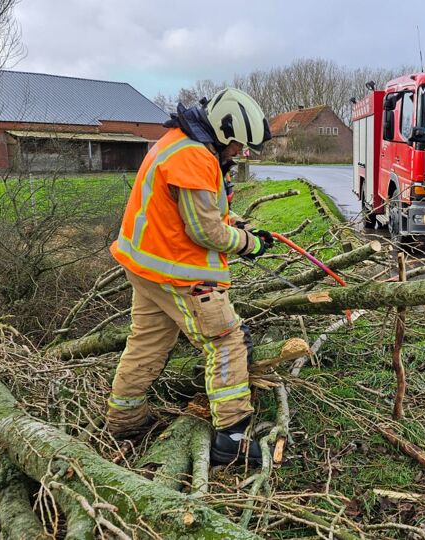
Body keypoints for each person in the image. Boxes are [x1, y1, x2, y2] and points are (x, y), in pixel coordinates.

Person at [105, 88, 274, 466]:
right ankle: (231, 437)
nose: (238, 153)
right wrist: (250, 244)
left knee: (146, 344)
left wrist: (236, 223)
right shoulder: (195, 156)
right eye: (236, 145)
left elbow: (198, 212)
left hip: (147, 267)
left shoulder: (177, 142)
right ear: (221, 131)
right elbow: (205, 232)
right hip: (178, 272)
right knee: (227, 341)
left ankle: (124, 420)